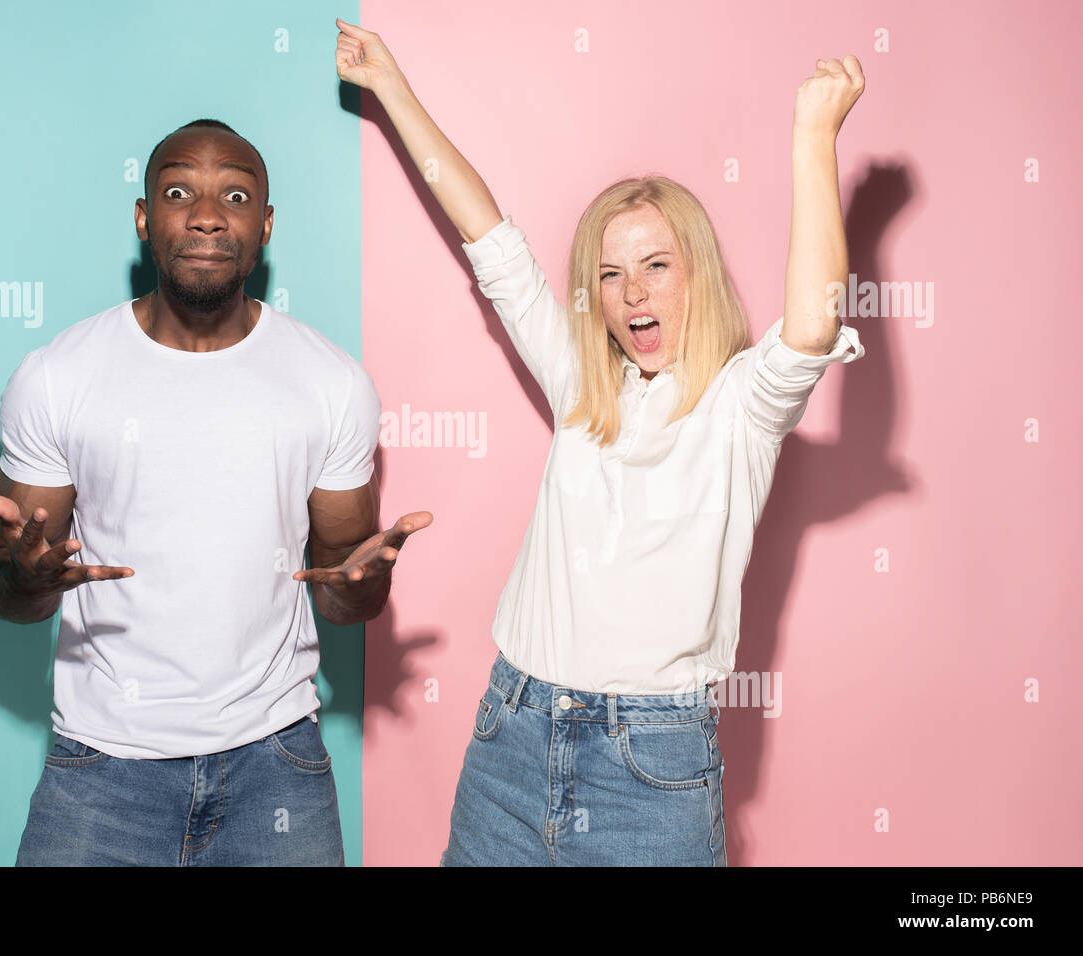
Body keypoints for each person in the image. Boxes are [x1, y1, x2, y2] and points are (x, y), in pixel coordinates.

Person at [335, 19, 866, 866]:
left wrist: (813, 137)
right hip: (512, 732)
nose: (631, 293)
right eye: (610, 275)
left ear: (697, 271)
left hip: (650, 767)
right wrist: (391, 85)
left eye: (657, 264)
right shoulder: (584, 388)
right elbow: (491, 243)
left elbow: (812, 323)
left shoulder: (743, 405)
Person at [0, 118, 431, 866]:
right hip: (102, 767)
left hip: (275, 767)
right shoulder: (57, 377)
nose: (208, 214)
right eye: (180, 190)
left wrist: (366, 583)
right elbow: (3, 584)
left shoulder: (332, 384)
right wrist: (18, 573)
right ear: (145, 218)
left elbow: (345, 593)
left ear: (266, 225)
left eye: (237, 195)